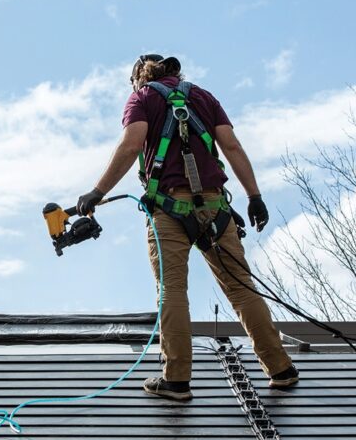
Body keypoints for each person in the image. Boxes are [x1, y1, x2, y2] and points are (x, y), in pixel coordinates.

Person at [77, 55, 298, 401]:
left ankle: (177, 380)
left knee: (172, 290)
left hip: (169, 209)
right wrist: (254, 196)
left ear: (139, 77)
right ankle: (280, 369)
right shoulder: (204, 97)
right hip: (216, 209)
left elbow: (132, 143)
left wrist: (97, 192)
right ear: (175, 73)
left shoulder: (141, 98)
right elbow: (232, 146)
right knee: (241, 289)